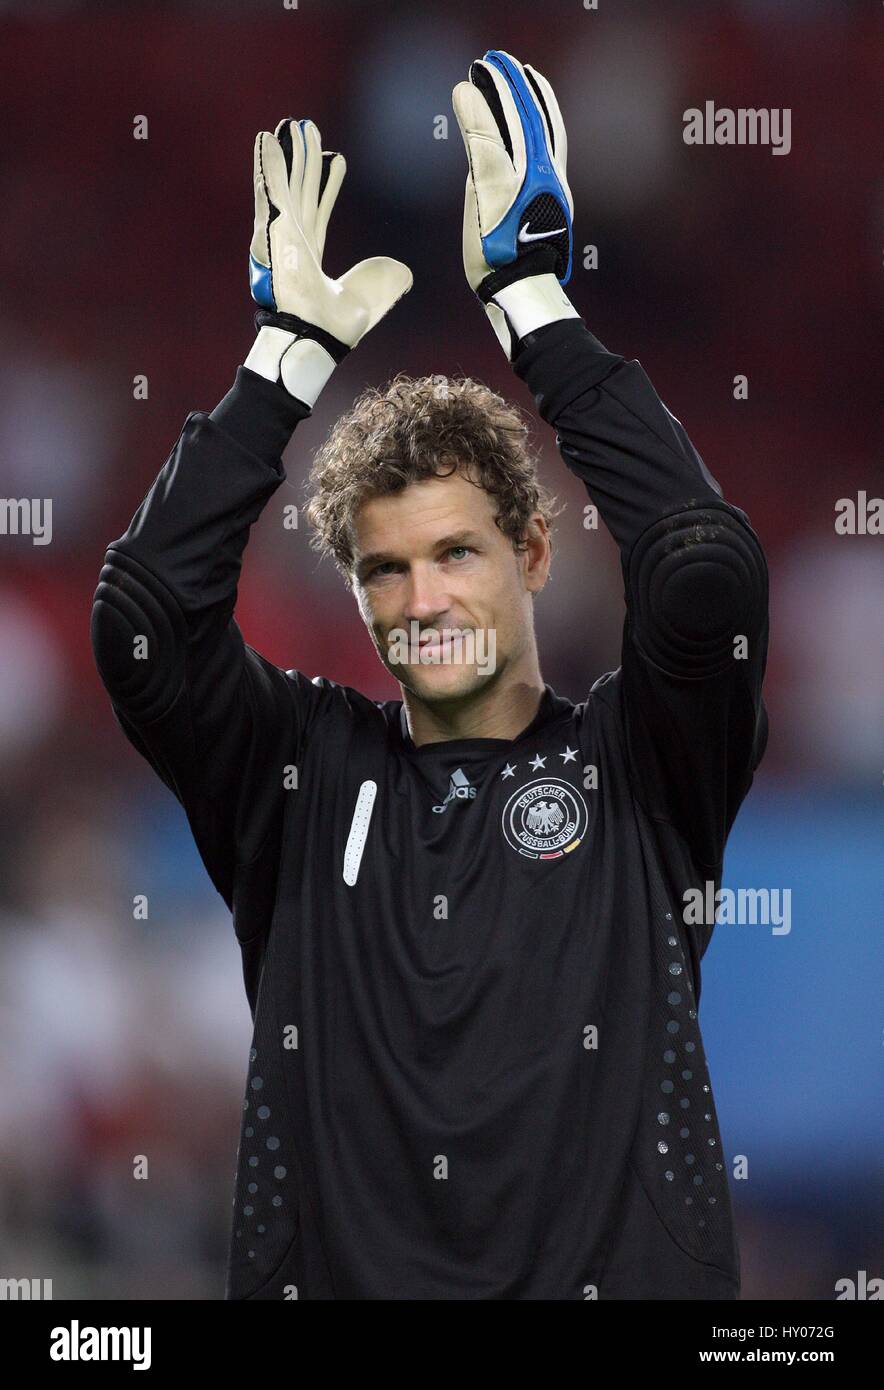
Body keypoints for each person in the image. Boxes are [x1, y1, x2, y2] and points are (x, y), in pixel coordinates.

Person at [91, 50, 768, 1299]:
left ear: (533, 552)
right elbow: (141, 623)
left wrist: (537, 315)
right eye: (385, 568)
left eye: (457, 553)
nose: (422, 600)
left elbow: (705, 575)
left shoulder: (640, 769)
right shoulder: (294, 773)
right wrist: (281, 365)